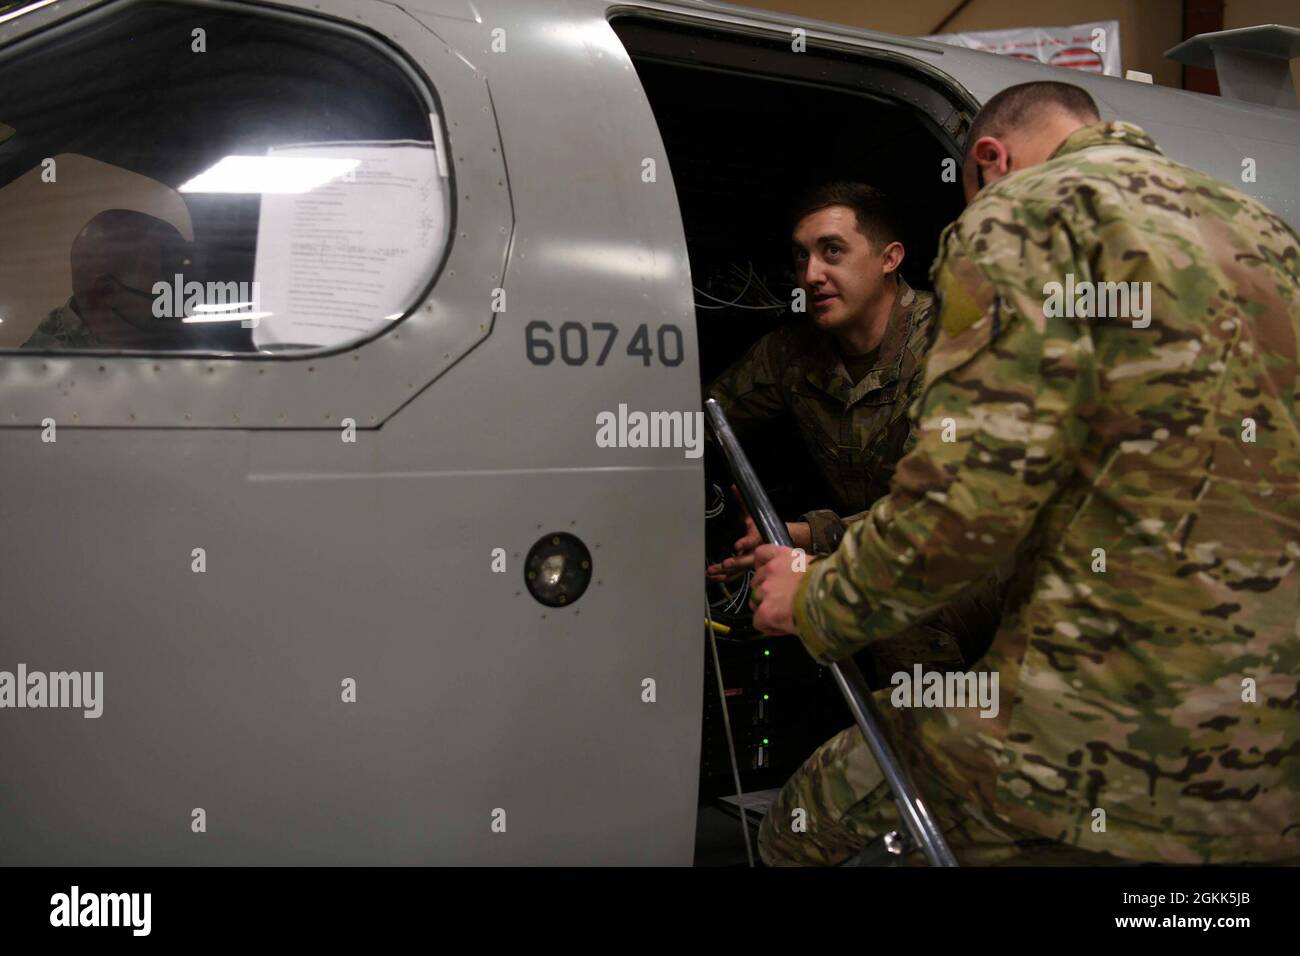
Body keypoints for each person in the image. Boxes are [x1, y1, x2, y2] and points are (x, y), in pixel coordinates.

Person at [749, 81, 1300, 866]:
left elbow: (965, 503)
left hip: (1097, 734)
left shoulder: (1025, 212)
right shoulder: (1264, 231)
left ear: (988, 160)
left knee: (803, 825)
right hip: (1272, 749)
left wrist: (812, 601)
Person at [706, 182, 984, 679]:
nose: (811, 275)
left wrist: (799, 538)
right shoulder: (792, 353)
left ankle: (929, 741)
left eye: (832, 251)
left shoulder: (954, 347)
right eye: (801, 257)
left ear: (889, 258)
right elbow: (700, 420)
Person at [23, 208, 199, 350]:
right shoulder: (43, 380)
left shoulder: (170, 343)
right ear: (108, 292)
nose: (180, 296)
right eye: (167, 279)